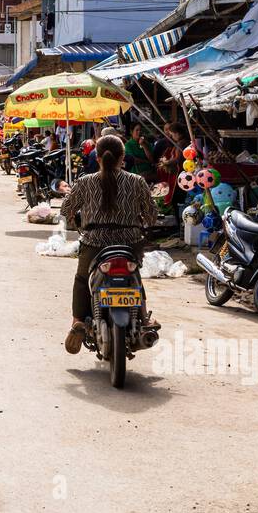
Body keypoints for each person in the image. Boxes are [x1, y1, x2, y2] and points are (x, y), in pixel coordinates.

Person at [58, 135, 158, 354]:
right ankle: (144, 320)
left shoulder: (85, 182)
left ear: (97, 156)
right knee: (135, 282)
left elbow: (65, 211)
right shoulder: (137, 181)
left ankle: (77, 322)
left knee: (83, 281)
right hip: (130, 243)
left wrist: (77, 222)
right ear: (123, 157)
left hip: (94, 242)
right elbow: (152, 215)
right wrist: (143, 221)